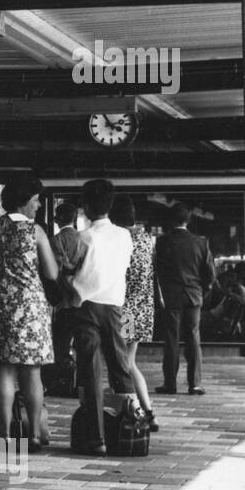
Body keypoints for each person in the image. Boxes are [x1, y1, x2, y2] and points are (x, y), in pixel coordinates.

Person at [0, 174, 58, 448]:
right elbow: (51, 272)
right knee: (31, 372)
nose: (37, 206)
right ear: (25, 201)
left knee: (3, 372)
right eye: (36, 201)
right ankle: (34, 434)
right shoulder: (35, 232)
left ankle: (3, 433)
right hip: (30, 308)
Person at [69, 178, 136, 456]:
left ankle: (96, 438)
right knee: (120, 367)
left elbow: (72, 268)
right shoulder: (124, 236)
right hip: (114, 307)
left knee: (91, 371)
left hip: (85, 307)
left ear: (84, 207)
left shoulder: (83, 237)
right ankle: (131, 426)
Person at [154, 201, 215, 396]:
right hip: (194, 296)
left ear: (172, 221)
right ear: (189, 220)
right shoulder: (201, 243)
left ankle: (170, 384)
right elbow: (210, 275)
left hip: (171, 297)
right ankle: (194, 384)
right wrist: (201, 291)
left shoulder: (163, 242)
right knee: (193, 338)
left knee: (171, 339)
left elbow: (159, 270)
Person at [110, 194, 159, 431]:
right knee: (129, 362)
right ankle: (147, 412)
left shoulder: (121, 240)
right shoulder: (145, 239)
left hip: (126, 311)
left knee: (126, 364)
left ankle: (142, 412)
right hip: (143, 310)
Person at [49, 202, 86, 377]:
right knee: (81, 343)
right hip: (82, 299)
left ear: (58, 219)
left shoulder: (55, 240)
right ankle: (79, 379)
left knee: (61, 342)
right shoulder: (83, 239)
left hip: (63, 300)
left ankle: (62, 378)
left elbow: (54, 272)